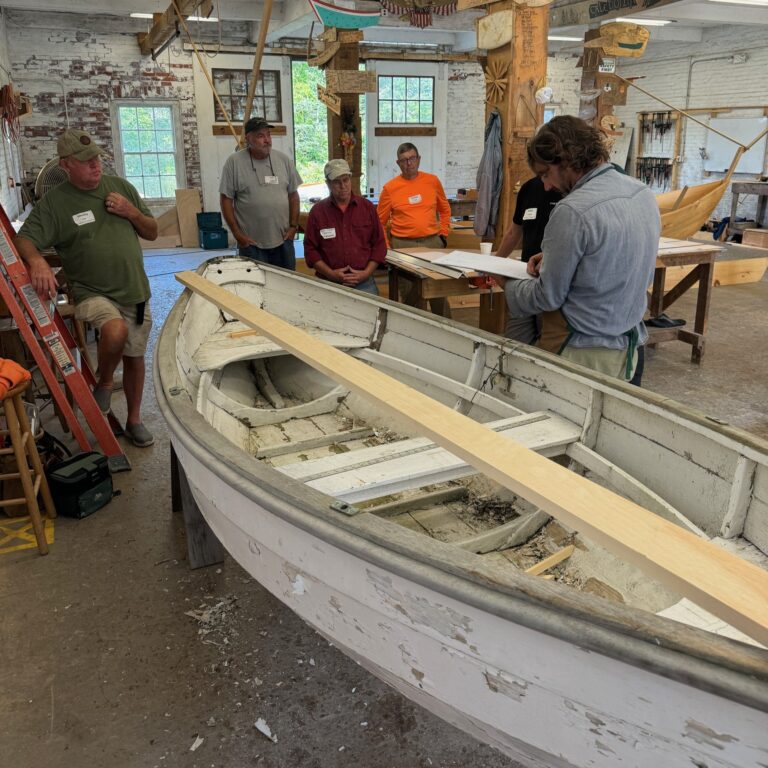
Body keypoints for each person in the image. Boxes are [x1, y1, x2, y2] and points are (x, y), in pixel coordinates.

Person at [15, 128, 157, 447]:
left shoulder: (120, 188)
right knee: (115, 331)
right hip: (91, 291)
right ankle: (105, 381)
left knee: (135, 357)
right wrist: (37, 262)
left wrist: (130, 211)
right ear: (66, 166)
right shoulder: (55, 203)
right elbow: (23, 238)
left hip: (134, 290)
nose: (95, 166)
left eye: (96, 158)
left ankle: (134, 420)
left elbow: (152, 231)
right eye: (85, 161)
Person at [500, 116, 660, 382]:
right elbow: (613, 258)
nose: (547, 186)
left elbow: (547, 297)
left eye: (545, 174)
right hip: (630, 350)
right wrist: (557, 258)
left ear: (565, 159)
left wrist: (506, 284)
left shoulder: (572, 210)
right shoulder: (642, 194)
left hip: (583, 354)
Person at [377, 143, 452, 314]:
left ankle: (447, 331)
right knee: (411, 295)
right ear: (398, 163)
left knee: (438, 291)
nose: (408, 163)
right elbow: (378, 222)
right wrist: (388, 249)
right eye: (404, 160)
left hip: (432, 243)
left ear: (419, 159)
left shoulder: (432, 182)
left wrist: (443, 234)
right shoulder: (390, 189)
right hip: (403, 246)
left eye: (412, 158)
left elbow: (445, 210)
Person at [219, 118, 302, 269]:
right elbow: (226, 199)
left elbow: (293, 195)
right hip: (251, 244)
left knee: (286, 284)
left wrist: (293, 226)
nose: (267, 140)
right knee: (254, 287)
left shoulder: (283, 160)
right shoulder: (234, 163)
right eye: (260, 136)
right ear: (248, 138)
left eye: (268, 135)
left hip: (283, 241)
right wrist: (238, 235)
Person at [303, 159, 386, 295]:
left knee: (370, 315)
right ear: (328, 184)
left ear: (350, 179)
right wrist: (330, 274)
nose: (343, 186)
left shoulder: (367, 208)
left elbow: (379, 244)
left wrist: (366, 273)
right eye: (337, 182)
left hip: (364, 282)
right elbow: (310, 250)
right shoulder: (318, 212)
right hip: (328, 282)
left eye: (345, 180)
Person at [495, 176, 562, 344]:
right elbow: (513, 232)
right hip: (523, 278)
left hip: (548, 281)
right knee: (514, 341)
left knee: (546, 342)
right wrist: (495, 263)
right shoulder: (528, 188)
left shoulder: (567, 189)